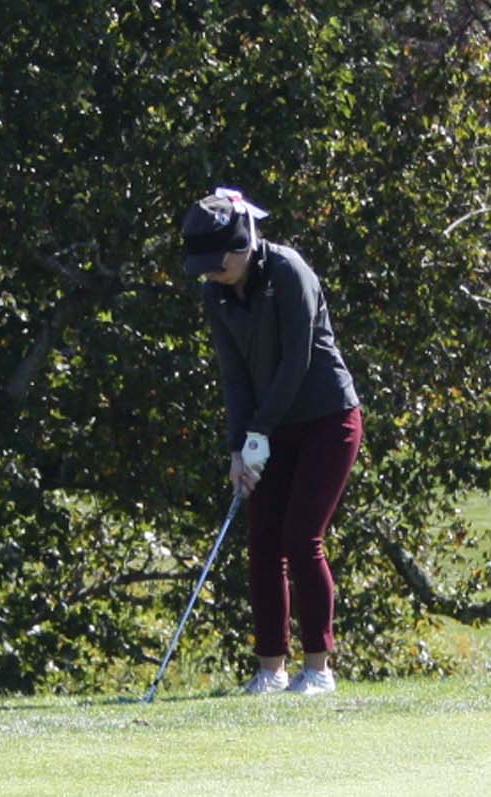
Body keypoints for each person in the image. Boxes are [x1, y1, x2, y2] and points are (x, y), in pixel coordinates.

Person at [180, 188, 363, 696]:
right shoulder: (216, 293)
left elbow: (295, 363)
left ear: (243, 245)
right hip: (269, 425)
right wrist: (238, 448)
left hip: (328, 418)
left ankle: (319, 669)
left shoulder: (288, 272)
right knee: (262, 539)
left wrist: (258, 432)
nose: (211, 272)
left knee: (301, 535)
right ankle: (270, 670)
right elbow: (234, 375)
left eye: (217, 262)